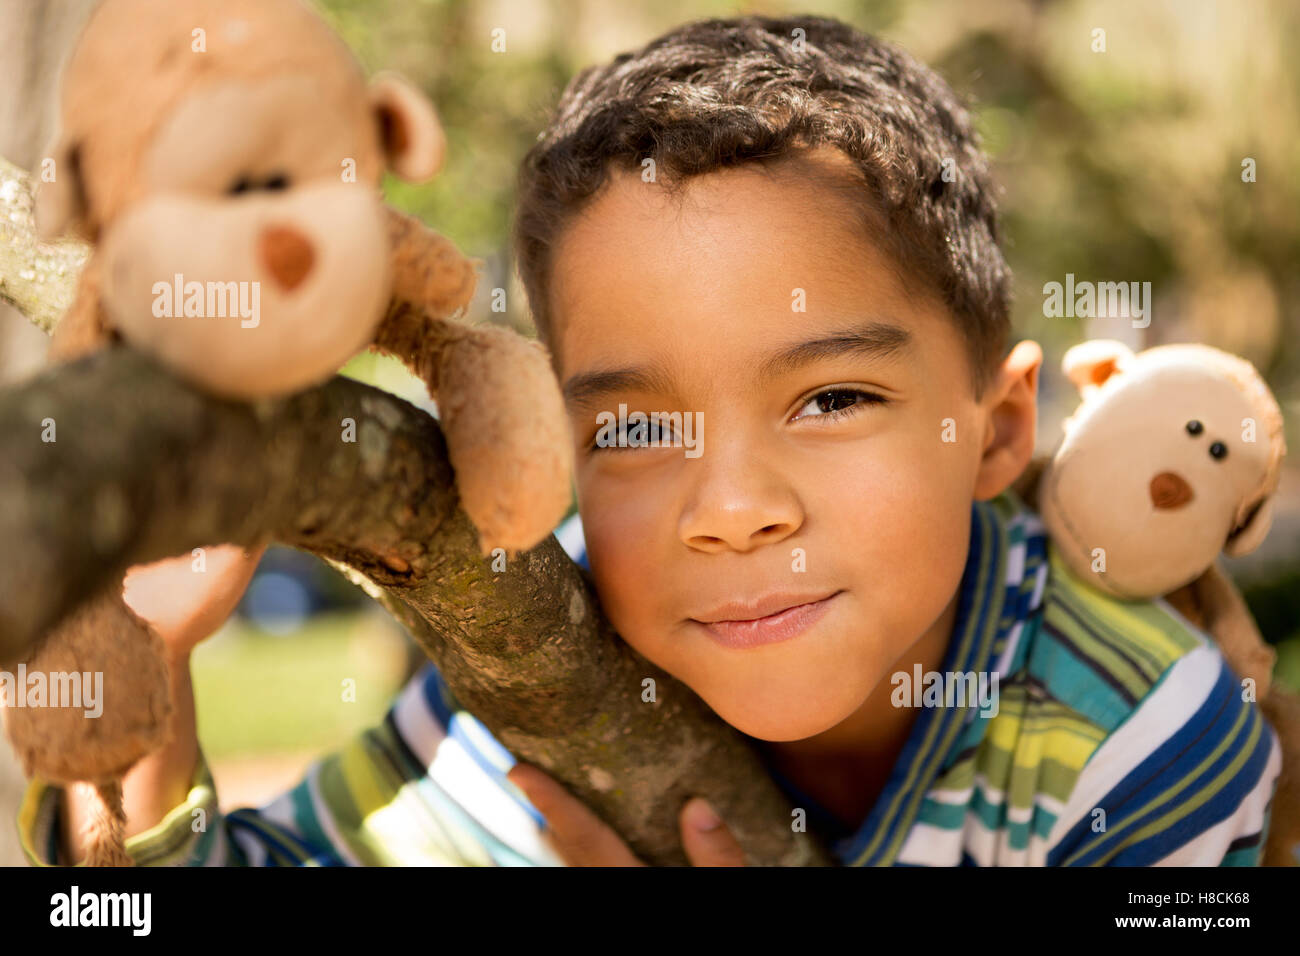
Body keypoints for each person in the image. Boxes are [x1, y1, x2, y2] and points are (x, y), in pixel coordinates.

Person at [19, 15, 1280, 867]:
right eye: (632, 426)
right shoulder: (550, 689)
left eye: (832, 399)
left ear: (997, 431)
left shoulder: (1140, 740)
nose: (729, 508)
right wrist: (156, 673)